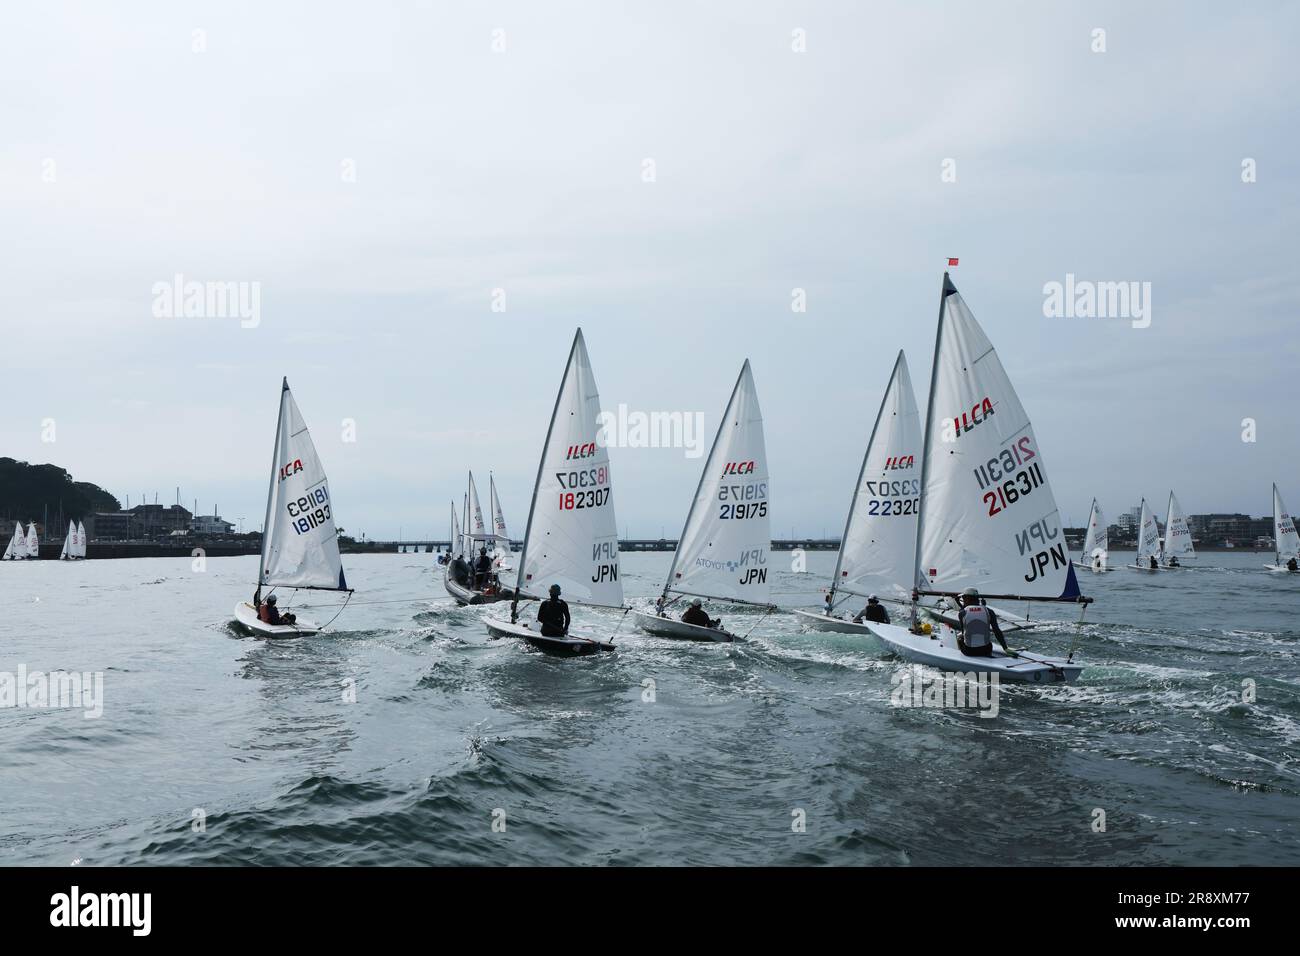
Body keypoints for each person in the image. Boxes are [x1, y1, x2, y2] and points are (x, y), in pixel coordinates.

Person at [955, 587, 1009, 658]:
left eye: (963, 597)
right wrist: (1005, 648)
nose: (963, 600)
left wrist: (958, 602)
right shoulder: (989, 611)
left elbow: (964, 632)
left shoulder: (962, 613)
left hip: (969, 651)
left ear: (967, 598)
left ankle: (963, 658)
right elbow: (997, 631)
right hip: (986, 650)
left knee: (960, 637)